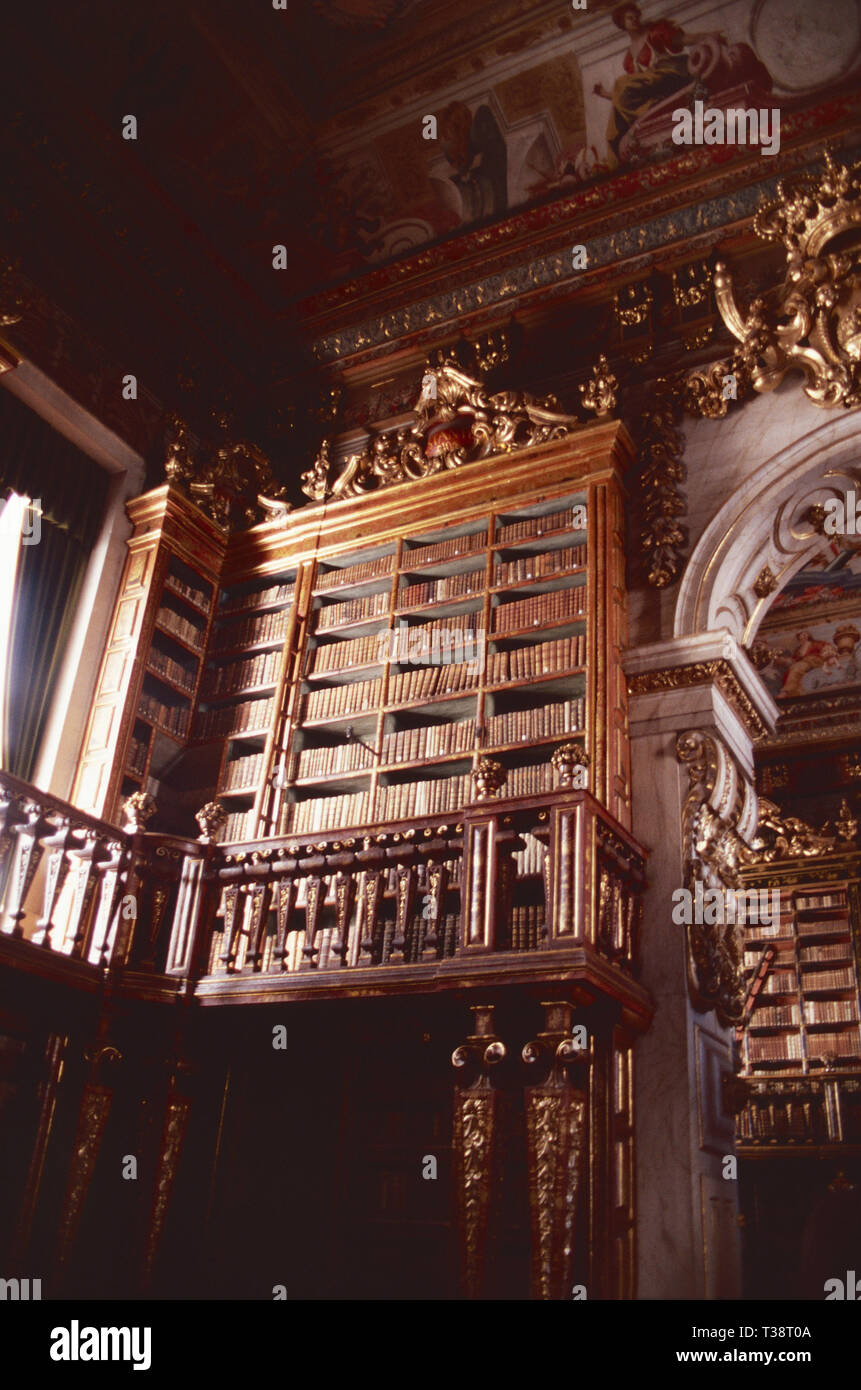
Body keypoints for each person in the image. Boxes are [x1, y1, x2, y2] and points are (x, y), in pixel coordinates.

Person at [593, 3, 724, 167]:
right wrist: (606, 94)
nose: (635, 20)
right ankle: (615, 162)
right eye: (629, 18)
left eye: (636, 16)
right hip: (654, 89)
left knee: (621, 83)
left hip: (672, 74)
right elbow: (631, 91)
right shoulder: (628, 58)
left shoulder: (654, 32)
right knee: (613, 123)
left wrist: (708, 36)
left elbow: (684, 39)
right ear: (622, 23)